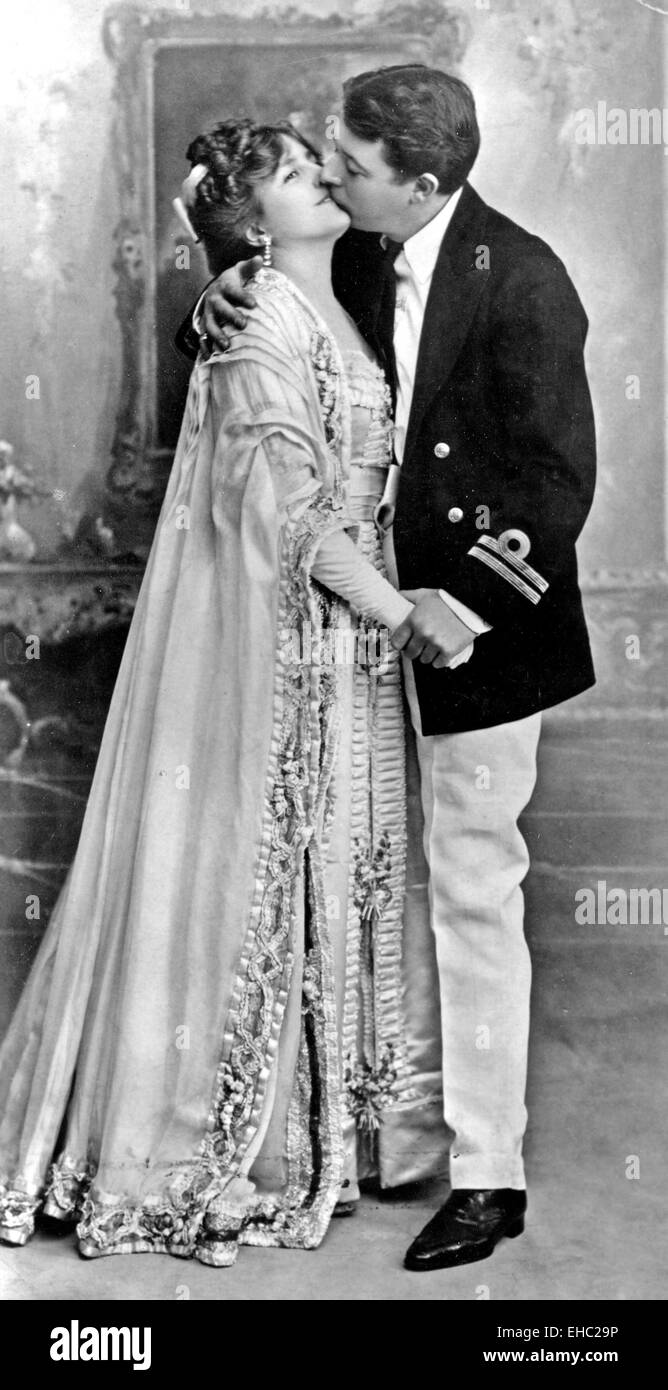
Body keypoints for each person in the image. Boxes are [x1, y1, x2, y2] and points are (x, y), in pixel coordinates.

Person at [0, 118, 449, 1267]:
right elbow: (290, 519)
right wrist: (401, 615)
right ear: (254, 221)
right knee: (267, 867)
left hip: (347, 657)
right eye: (302, 176)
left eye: (321, 165)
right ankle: (239, 1147)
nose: (327, 179)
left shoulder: (325, 288)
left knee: (349, 871)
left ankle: (344, 1137)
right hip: (306, 642)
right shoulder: (255, 326)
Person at [183, 65, 597, 1271]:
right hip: (350, 643)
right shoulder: (360, 245)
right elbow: (266, 320)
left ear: (421, 182)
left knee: (470, 889)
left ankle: (487, 1178)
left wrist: (460, 604)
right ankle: (366, 1134)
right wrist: (213, 291)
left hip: (484, 639)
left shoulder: (521, 279)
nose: (331, 174)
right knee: (357, 876)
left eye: (350, 164)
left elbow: (555, 479)